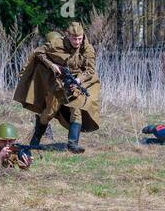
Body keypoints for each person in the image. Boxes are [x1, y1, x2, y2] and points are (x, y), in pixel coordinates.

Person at [13, 21, 100, 153]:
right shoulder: (56, 44)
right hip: (57, 83)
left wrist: (78, 80)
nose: (77, 42)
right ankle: (35, 141)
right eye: (74, 38)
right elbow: (39, 53)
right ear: (68, 35)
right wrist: (51, 65)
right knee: (49, 112)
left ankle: (72, 144)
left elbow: (90, 71)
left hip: (75, 83)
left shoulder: (87, 49)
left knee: (76, 108)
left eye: (80, 38)